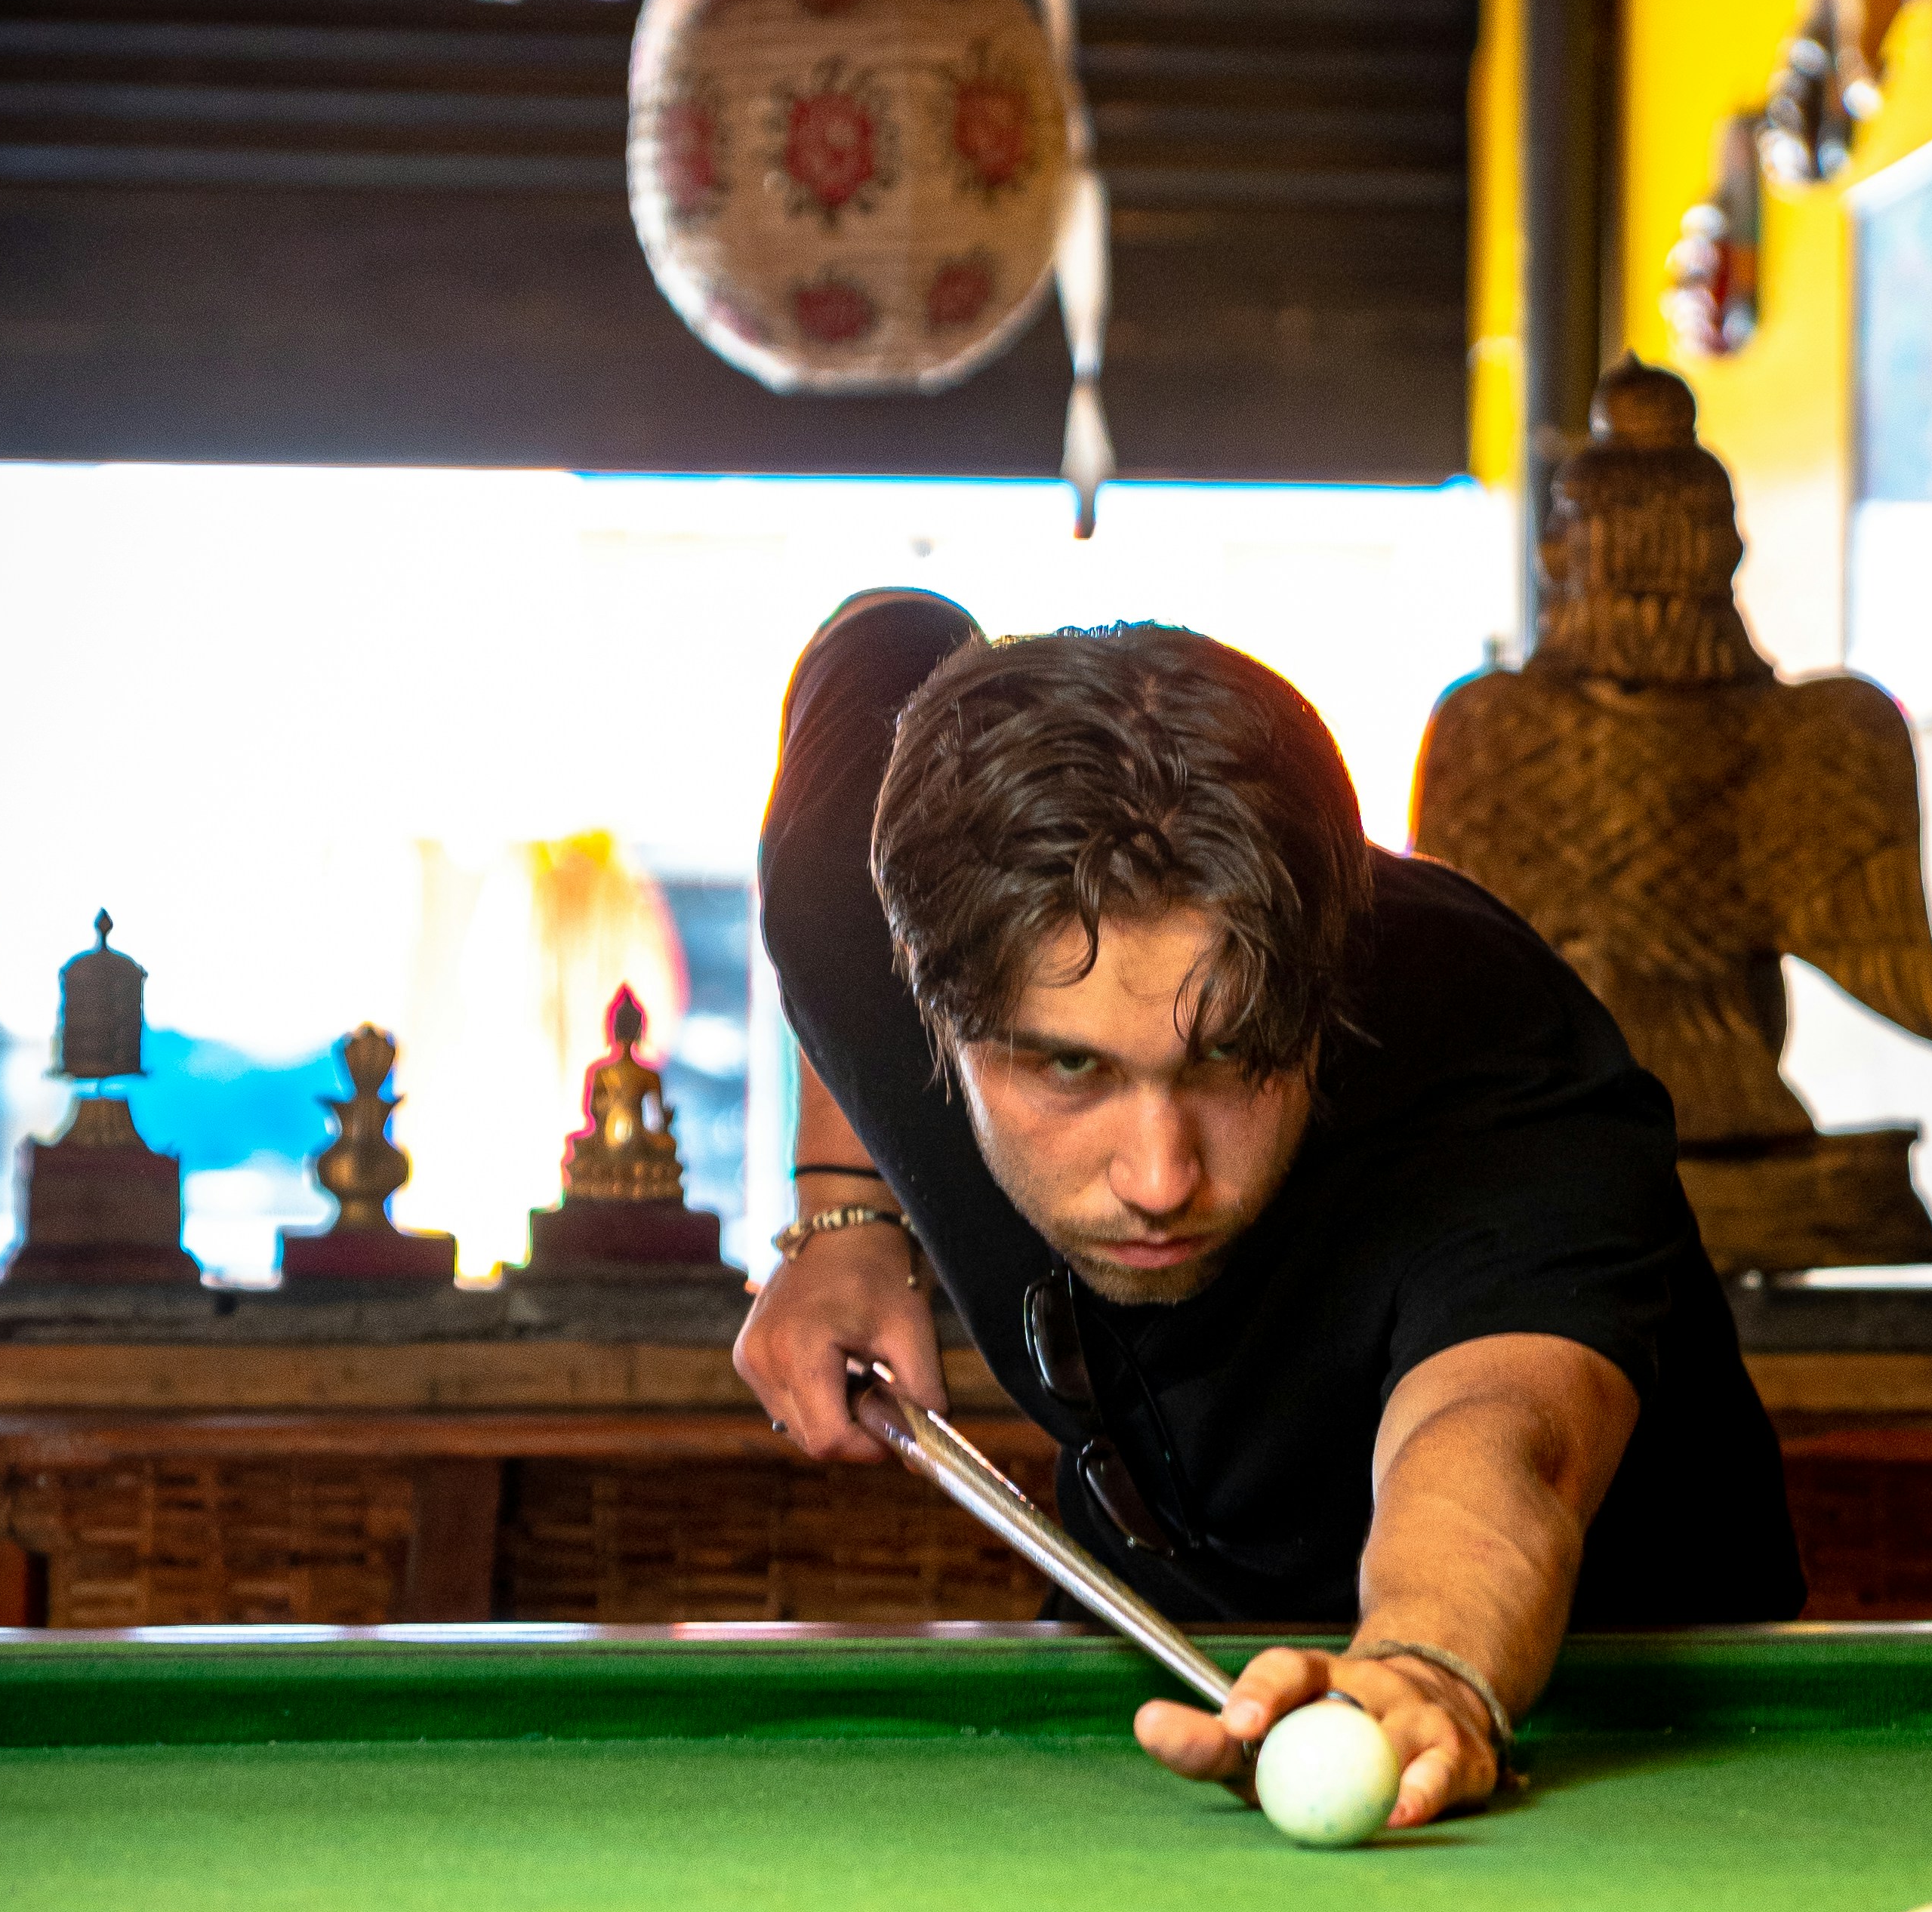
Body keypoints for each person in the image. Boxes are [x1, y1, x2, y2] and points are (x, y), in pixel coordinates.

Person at [741, 596, 1803, 1828]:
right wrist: (844, 1210)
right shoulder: (846, 890)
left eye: (1232, 1060)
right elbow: (883, 630)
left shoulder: (1492, 1059)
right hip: (1161, 1616)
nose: (1158, 1175)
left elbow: (1503, 1428)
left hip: (1594, 1676)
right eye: (1071, 1068)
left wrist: (1427, 1667)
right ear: (926, 983)